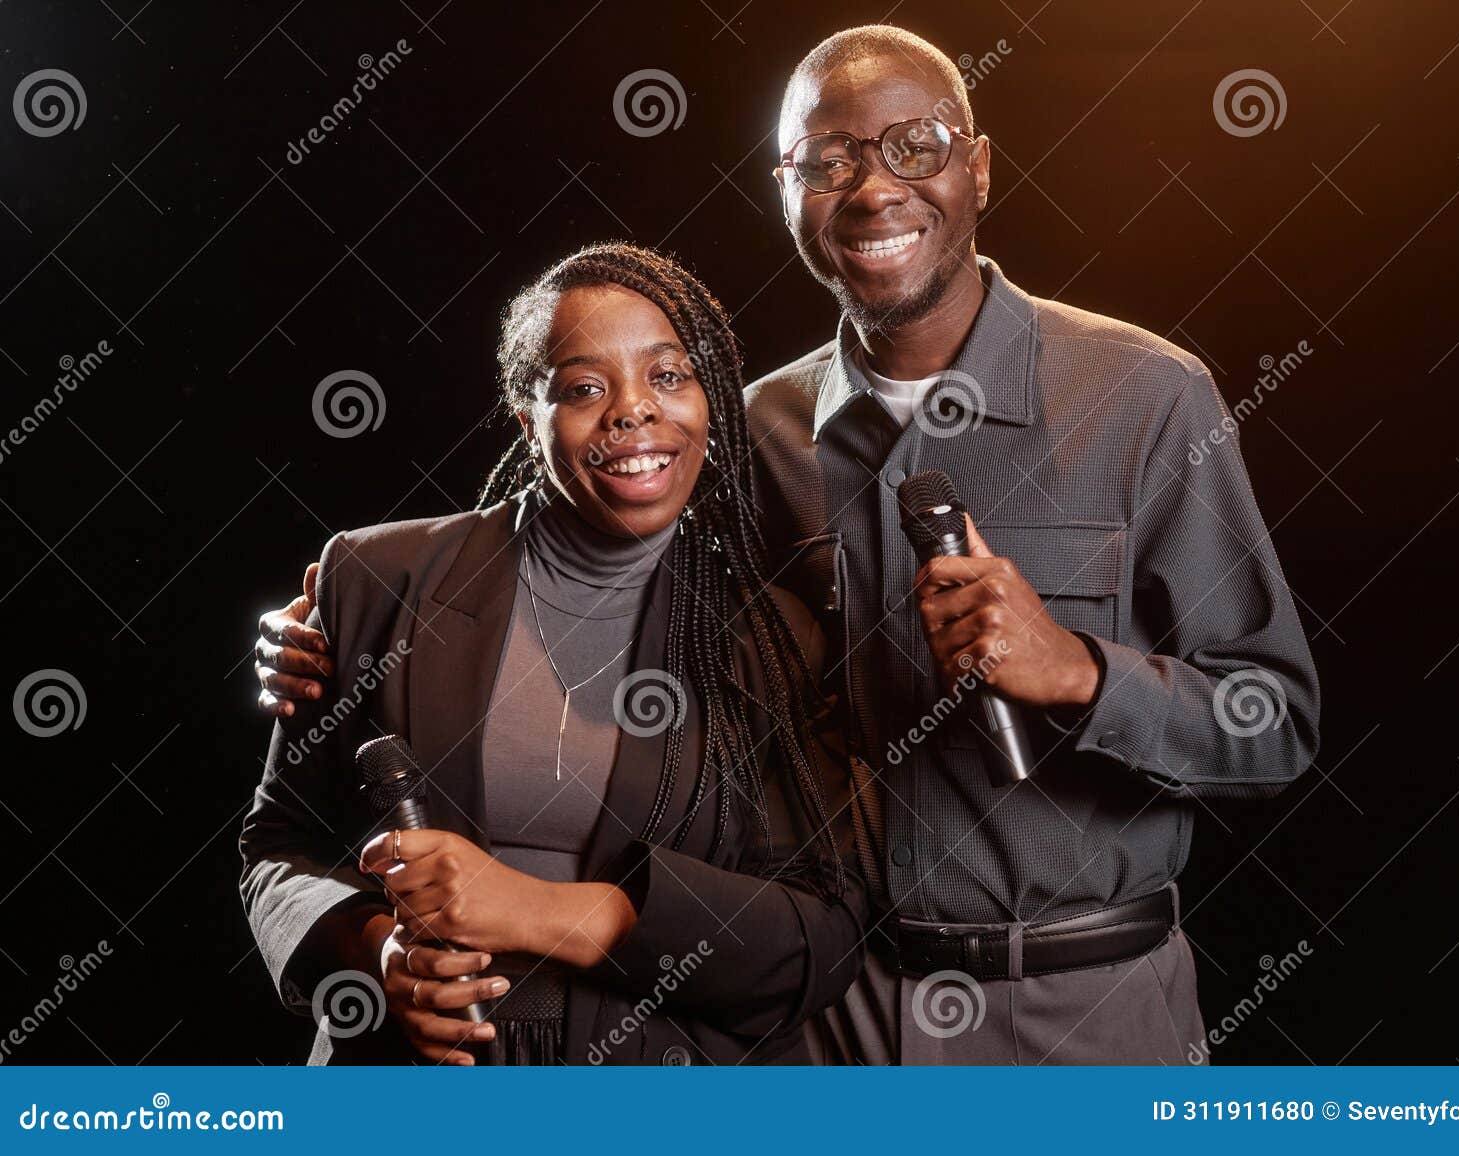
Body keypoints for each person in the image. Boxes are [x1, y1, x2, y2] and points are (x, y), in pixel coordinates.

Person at [256, 26, 1320, 1065]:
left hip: (1084, 1006)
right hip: (829, 1020)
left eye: (915, 146)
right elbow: (588, 557)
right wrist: (344, 629)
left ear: (979, 168)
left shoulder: (1146, 396)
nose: (873, 188)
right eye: (828, 160)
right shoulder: (754, 431)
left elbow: (1270, 723)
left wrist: (1078, 672)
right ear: (785, 190)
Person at [240, 242, 865, 1066]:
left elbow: (818, 936)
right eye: (584, 388)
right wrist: (376, 959)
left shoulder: (772, 642)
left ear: (712, 399)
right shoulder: (377, 579)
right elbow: (276, 849)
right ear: (528, 418)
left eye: (669, 376)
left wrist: (540, 911)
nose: (633, 412)